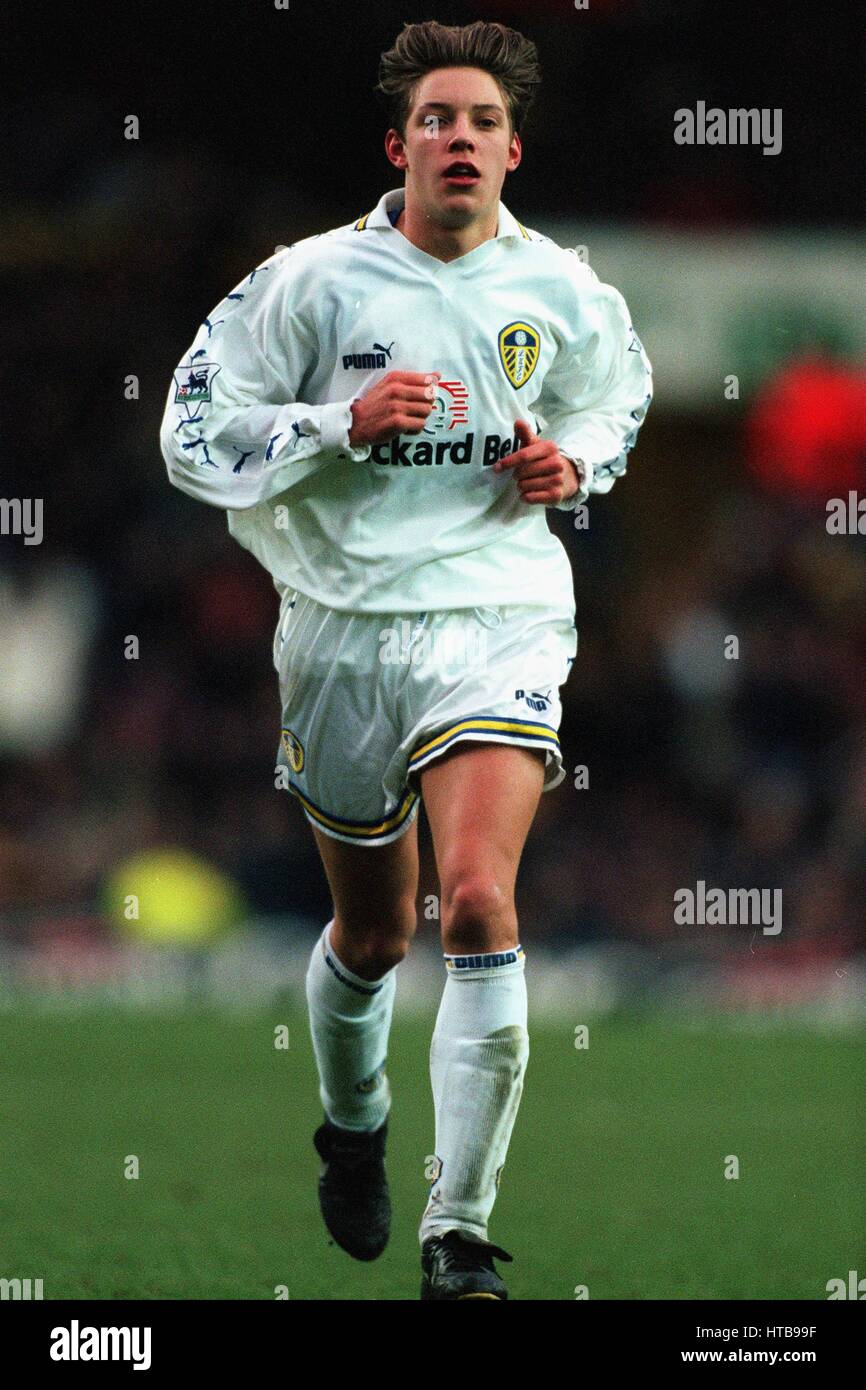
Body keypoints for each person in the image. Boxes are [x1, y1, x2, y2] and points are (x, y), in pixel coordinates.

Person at [160, 18, 652, 1300]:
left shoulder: (560, 290)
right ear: (399, 145)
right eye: (438, 118)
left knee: (478, 900)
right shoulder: (307, 283)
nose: (461, 139)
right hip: (338, 631)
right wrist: (338, 419)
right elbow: (190, 431)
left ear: (511, 152)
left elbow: (619, 393)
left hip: (497, 614)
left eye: (483, 122)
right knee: (373, 937)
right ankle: (353, 1125)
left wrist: (577, 461)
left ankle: (460, 1235)